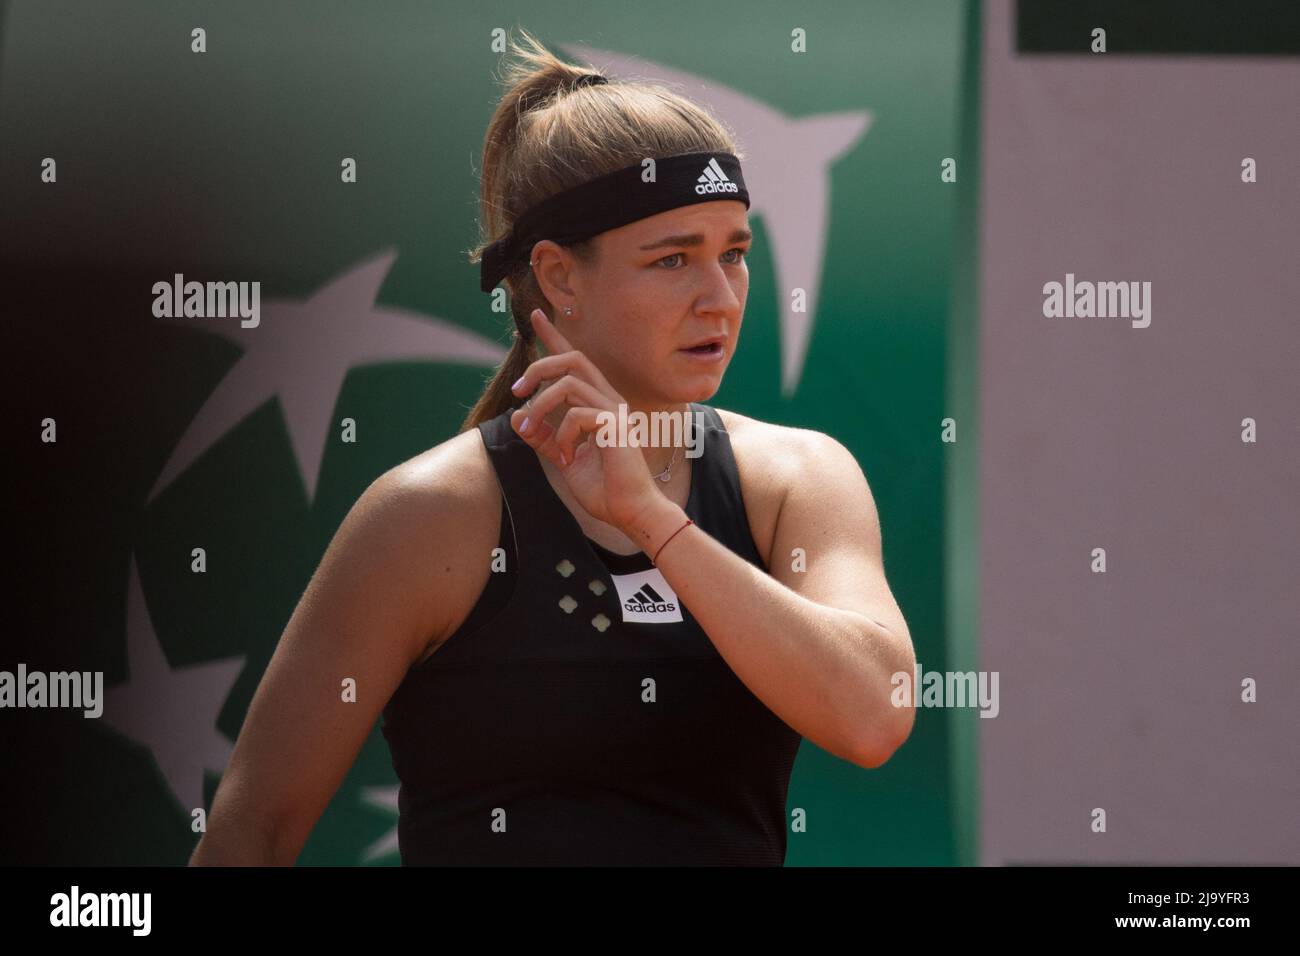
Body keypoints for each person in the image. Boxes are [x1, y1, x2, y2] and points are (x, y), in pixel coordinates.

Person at [190, 28, 914, 867]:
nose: (720, 297)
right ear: (560, 277)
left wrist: (651, 521)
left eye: (736, 253)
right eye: (673, 258)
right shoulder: (430, 515)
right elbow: (255, 830)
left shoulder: (796, 479)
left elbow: (874, 717)